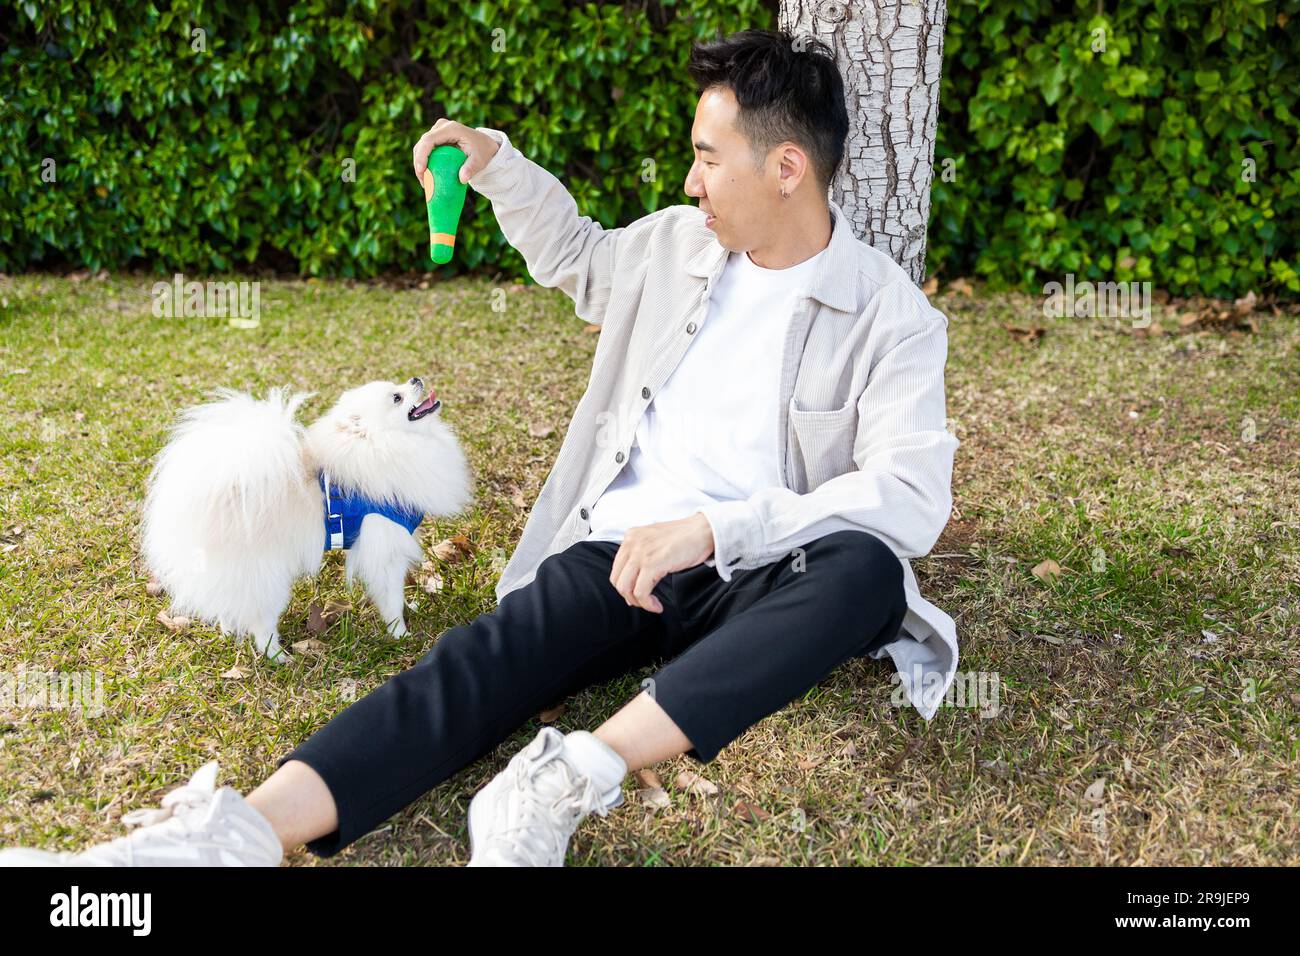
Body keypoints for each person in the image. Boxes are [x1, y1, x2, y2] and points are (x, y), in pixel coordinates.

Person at [0, 28, 960, 868]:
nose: (689, 180)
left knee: (865, 573)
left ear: (786, 168)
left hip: (763, 562)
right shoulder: (677, 247)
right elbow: (580, 256)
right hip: (614, 554)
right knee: (477, 665)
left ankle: (567, 774)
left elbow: (910, 494)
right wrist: (494, 160)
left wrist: (714, 526)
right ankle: (235, 833)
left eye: (708, 158)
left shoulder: (889, 315)